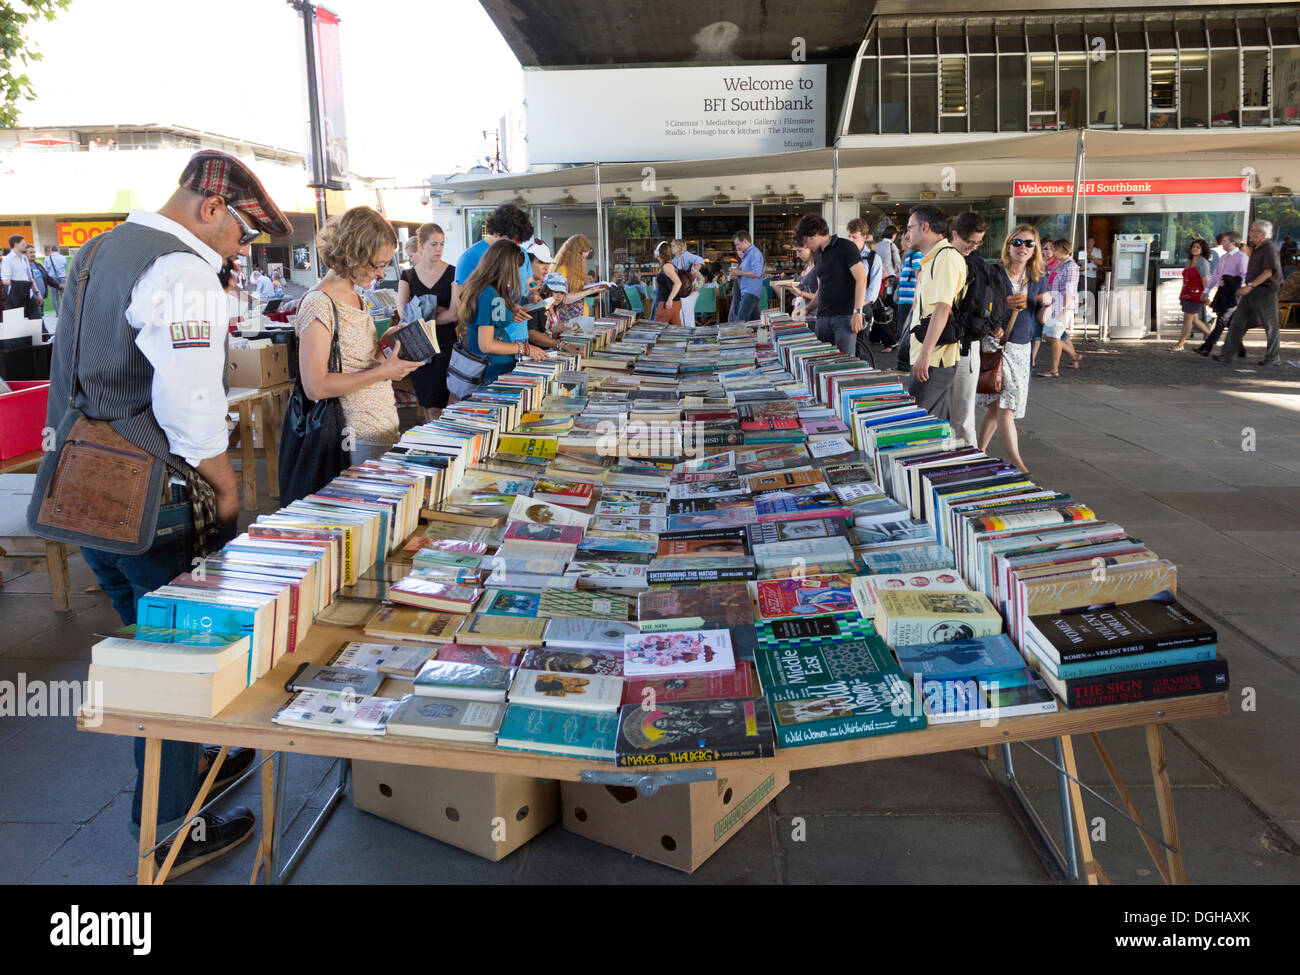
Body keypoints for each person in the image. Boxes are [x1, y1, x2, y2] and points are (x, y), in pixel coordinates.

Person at [29, 150, 293, 877]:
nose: (243, 249)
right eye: (242, 233)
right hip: (153, 498)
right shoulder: (182, 271)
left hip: (83, 489)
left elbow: (68, 374)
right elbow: (189, 403)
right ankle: (175, 825)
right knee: (176, 665)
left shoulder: (98, 251)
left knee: (141, 651)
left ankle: (185, 762)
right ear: (211, 209)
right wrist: (226, 482)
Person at [295, 207, 423, 462]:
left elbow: (357, 360)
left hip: (378, 429)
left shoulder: (356, 295)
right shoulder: (319, 303)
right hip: (350, 437)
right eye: (377, 265)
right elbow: (315, 386)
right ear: (354, 255)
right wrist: (383, 372)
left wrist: (387, 341)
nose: (381, 274)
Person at [977, 225, 1051, 474]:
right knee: (1006, 405)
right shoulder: (994, 273)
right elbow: (980, 305)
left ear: (1035, 249)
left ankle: (978, 451)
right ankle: (1018, 463)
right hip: (996, 342)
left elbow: (1040, 319)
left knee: (995, 406)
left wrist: (1046, 305)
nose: (1023, 248)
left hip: (1021, 344)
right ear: (1008, 245)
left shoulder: (1038, 280)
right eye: (1017, 242)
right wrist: (1000, 307)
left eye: (1029, 244)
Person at [456, 239, 547, 394]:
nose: (518, 276)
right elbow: (487, 344)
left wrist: (510, 312)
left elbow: (489, 318)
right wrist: (525, 348)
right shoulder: (488, 294)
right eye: (515, 270)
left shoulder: (488, 290)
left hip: (497, 368)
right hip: (493, 373)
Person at [906, 204, 964, 419]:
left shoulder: (946, 258)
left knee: (917, 422)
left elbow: (943, 307)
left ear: (925, 227)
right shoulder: (931, 259)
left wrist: (926, 353)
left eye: (910, 227)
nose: (907, 233)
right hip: (929, 355)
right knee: (933, 423)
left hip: (935, 357)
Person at [396, 222, 458, 419]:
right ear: (421, 245)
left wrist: (422, 312)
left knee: (443, 408)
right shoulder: (408, 275)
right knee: (429, 407)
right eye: (434, 244)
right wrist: (438, 311)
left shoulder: (453, 273)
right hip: (420, 349)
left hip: (446, 347)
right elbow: (404, 313)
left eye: (441, 244)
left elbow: (455, 314)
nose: (438, 249)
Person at [794, 213, 867, 357]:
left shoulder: (846, 247)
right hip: (822, 318)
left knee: (844, 365)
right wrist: (807, 310)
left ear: (814, 234)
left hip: (844, 318)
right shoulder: (818, 255)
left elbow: (861, 280)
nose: (805, 245)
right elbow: (822, 289)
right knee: (822, 363)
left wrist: (857, 312)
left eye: (805, 240)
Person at [945, 212, 988, 446]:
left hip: (963, 345)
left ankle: (970, 460)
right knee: (959, 412)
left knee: (962, 413)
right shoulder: (946, 258)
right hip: (956, 347)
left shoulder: (971, 264)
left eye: (977, 242)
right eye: (969, 241)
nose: (972, 247)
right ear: (954, 234)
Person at [1216, 220, 1284, 366]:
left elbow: (1268, 272)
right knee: (1237, 322)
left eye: (1253, 231)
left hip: (1266, 291)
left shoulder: (1269, 248)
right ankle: (1227, 354)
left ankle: (1273, 357)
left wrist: (1250, 286)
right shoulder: (1256, 247)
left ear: (1262, 234)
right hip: (1252, 290)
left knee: (1270, 325)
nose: (1249, 233)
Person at [452, 202, 534, 301]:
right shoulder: (469, 257)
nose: (516, 247)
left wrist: (534, 293)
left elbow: (530, 283)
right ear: (496, 233)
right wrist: (507, 310)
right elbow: (463, 302)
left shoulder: (521, 252)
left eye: (519, 242)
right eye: (512, 242)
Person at [1038, 238, 1083, 375]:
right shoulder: (1062, 265)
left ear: (1063, 250)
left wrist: (1063, 310)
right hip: (1056, 304)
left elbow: (1069, 290)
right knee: (1048, 335)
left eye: (1055, 249)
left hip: (1063, 306)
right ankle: (1074, 356)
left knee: (1053, 336)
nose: (1053, 252)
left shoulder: (1070, 266)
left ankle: (1054, 370)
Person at [550, 234, 607, 332]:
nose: (582, 260)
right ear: (573, 254)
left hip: (579, 319)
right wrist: (590, 291)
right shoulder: (562, 270)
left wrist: (591, 288)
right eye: (582, 256)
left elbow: (574, 291)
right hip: (569, 322)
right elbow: (563, 298)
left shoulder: (572, 270)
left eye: (585, 257)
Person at [845, 218, 884, 346]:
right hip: (844, 309)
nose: (850, 240)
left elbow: (872, 292)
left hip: (862, 308)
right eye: (849, 236)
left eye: (854, 237)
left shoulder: (874, 259)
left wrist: (855, 308)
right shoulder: (845, 256)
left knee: (860, 348)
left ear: (864, 237)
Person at [1169, 239, 1212, 352]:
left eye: (1198, 247)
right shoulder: (1190, 260)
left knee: (1188, 318)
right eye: (1193, 246)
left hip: (1196, 294)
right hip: (1187, 293)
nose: (1195, 249)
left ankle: (1180, 344)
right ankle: (1213, 337)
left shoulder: (1202, 262)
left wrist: (1206, 295)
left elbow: (1205, 279)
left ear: (1203, 249)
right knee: (1194, 320)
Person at [894, 231, 923, 368]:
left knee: (905, 333)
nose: (904, 241)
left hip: (910, 301)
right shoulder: (908, 257)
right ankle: (904, 364)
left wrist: (915, 301)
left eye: (907, 239)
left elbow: (919, 278)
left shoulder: (916, 256)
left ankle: (905, 365)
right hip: (904, 300)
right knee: (902, 332)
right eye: (904, 238)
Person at [728, 231, 764, 322]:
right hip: (748, 292)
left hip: (750, 292)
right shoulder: (748, 254)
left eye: (738, 244)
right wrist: (737, 275)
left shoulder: (754, 253)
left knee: (740, 322)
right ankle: (763, 334)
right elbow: (748, 273)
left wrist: (739, 272)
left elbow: (757, 273)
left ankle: (736, 336)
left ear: (745, 241)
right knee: (756, 322)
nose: (737, 247)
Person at [671, 239, 706, 326]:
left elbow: (700, 260)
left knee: (687, 314)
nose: (671, 248)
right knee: (681, 314)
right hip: (683, 291)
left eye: (673, 246)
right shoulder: (675, 259)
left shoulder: (686, 255)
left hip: (690, 290)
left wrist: (694, 272)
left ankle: (690, 335)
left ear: (679, 247)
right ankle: (685, 334)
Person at [652, 241, 683, 325]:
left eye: (655, 250)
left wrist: (670, 299)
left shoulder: (666, 266)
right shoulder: (666, 265)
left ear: (658, 252)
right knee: (676, 331)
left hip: (666, 304)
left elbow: (678, 283)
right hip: (673, 303)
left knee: (657, 329)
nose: (653, 252)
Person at [2, 233, 34, 312]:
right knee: (19, 321)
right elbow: (5, 280)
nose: (25, 245)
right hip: (16, 296)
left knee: (38, 319)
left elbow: (30, 277)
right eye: (23, 244)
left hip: (30, 294)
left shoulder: (25, 258)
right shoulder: (7, 259)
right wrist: (22, 285)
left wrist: (37, 292)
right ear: (16, 244)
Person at [43, 243, 66, 314]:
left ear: (51, 250)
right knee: (64, 296)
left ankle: (58, 313)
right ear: (57, 250)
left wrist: (48, 282)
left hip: (52, 279)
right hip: (62, 277)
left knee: (54, 296)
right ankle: (65, 312)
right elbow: (65, 266)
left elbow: (46, 270)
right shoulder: (63, 257)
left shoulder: (47, 258)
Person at [25, 243, 47, 318]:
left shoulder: (38, 265)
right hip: (31, 300)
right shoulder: (24, 267)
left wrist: (58, 285)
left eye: (34, 252)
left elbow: (47, 277)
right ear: (25, 254)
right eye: (30, 252)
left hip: (40, 298)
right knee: (36, 319)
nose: (33, 254)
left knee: (40, 318)